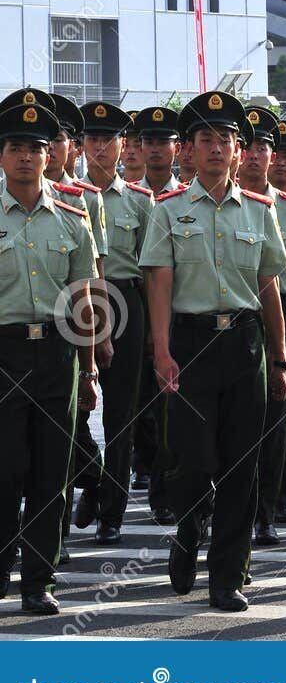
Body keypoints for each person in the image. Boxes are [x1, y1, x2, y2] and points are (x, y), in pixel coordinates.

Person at [140, 90, 286, 613]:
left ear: (238, 149)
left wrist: (280, 358)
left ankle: (229, 576)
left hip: (244, 343)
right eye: (206, 138)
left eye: (226, 139)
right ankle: (189, 525)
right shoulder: (169, 210)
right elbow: (159, 282)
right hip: (190, 342)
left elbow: (269, 286)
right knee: (193, 457)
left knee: (241, 466)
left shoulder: (261, 210)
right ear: (189, 149)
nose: (217, 147)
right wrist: (160, 350)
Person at [0, 98, 98, 615]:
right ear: (2, 156)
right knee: (5, 469)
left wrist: (89, 369)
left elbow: (85, 300)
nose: (24, 157)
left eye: (34, 149)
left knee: (50, 474)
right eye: (15, 147)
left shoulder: (73, 220)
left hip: (59, 356)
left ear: (50, 156)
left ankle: (39, 580)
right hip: (4, 353)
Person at [74, 100, 155, 543]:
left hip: (127, 301)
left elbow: (154, 268)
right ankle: (93, 475)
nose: (100, 147)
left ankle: (112, 512)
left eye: (109, 139)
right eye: (92, 139)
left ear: (123, 145)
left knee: (122, 414)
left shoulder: (141, 201)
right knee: (70, 412)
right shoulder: (70, 197)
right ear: (82, 145)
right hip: (80, 299)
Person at [238, 106, 286, 548]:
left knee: (276, 422)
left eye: (263, 149)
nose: (255, 156)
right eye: (247, 148)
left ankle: (266, 510)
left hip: (281, 311)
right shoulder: (218, 205)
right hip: (236, 311)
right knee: (234, 426)